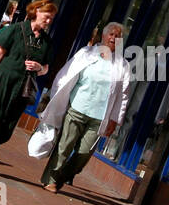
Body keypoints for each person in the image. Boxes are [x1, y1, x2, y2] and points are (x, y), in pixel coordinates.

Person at [39, 20, 131, 192]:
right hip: (77, 109)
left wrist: (114, 119)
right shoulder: (86, 53)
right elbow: (65, 75)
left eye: (118, 36)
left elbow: (123, 95)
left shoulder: (123, 65)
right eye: (111, 34)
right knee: (64, 146)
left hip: (100, 117)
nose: (114, 38)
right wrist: (56, 98)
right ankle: (51, 179)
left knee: (83, 154)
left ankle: (61, 176)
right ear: (103, 36)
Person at [0, 0, 57, 170]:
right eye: (47, 16)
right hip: (3, 78)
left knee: (8, 121)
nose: (49, 21)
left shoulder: (46, 41)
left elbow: (46, 68)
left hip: (24, 86)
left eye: (51, 18)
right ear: (36, 12)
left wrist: (39, 67)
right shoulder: (15, 30)